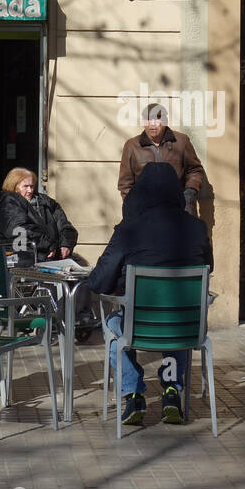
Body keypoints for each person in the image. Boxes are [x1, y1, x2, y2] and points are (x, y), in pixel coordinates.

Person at [89, 162, 213, 426]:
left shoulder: (129, 229)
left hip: (139, 326)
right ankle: (171, 390)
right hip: (186, 328)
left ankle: (133, 393)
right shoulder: (198, 228)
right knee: (175, 320)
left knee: (113, 327)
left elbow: (99, 281)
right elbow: (207, 268)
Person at [117, 102, 208, 214]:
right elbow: (125, 184)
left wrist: (189, 193)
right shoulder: (132, 146)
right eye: (148, 119)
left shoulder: (181, 141)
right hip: (146, 213)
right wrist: (134, 206)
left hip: (178, 210)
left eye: (158, 118)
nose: (153, 124)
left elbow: (195, 170)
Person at [0, 167, 77, 261]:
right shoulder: (8, 203)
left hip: (51, 257)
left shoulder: (46, 202)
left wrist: (66, 244)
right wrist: (48, 246)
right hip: (22, 258)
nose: (30, 190)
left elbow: (65, 225)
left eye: (32, 186)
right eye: (25, 186)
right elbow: (20, 229)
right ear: (14, 186)